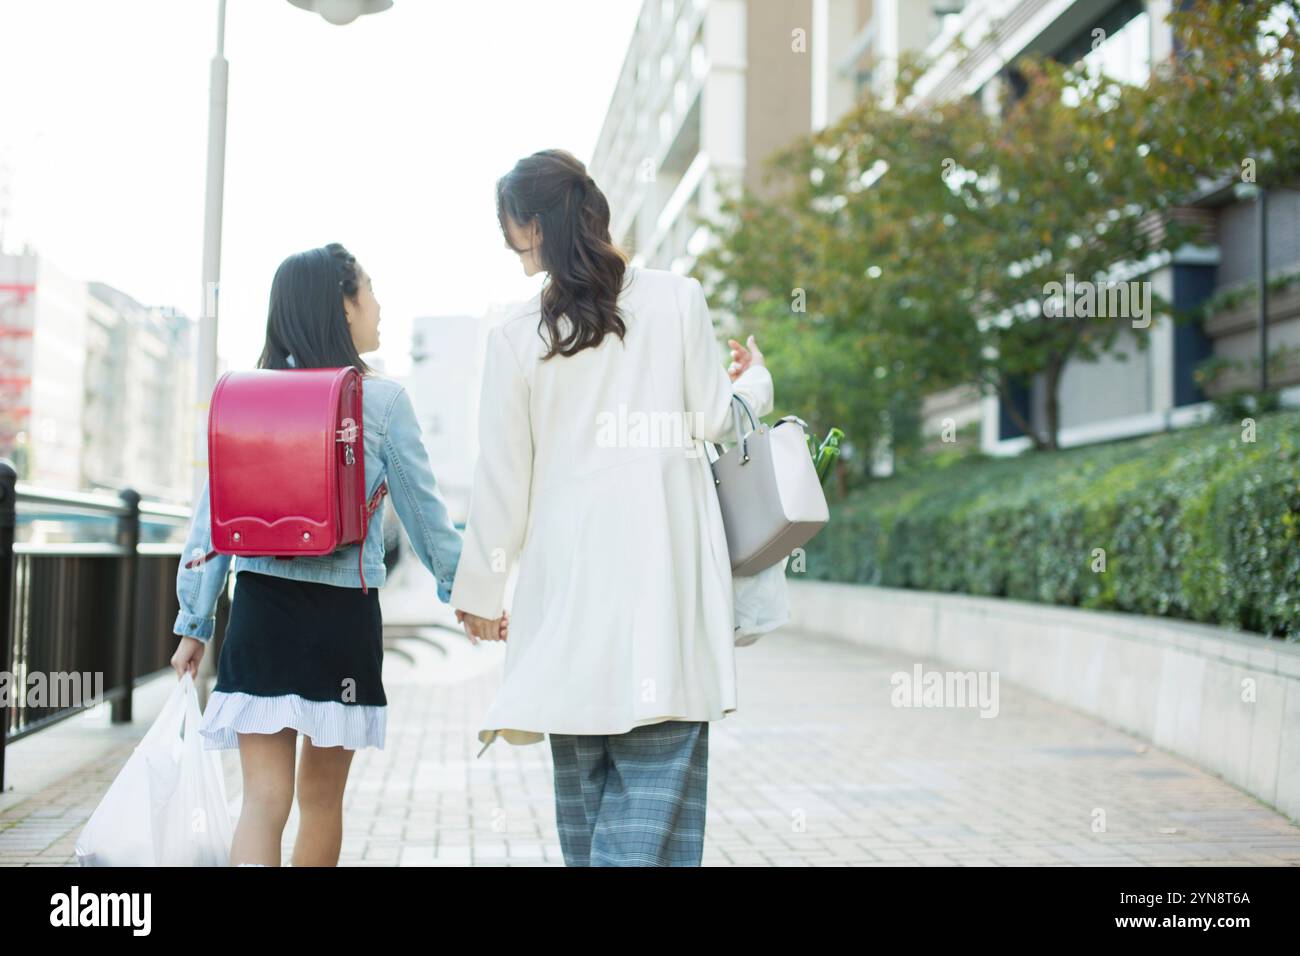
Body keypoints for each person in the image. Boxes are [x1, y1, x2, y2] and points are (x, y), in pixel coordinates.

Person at [450, 149, 772, 866]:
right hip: (665, 590)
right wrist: (762, 383)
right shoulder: (676, 298)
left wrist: (478, 592)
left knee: (587, 809)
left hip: (567, 603)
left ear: (533, 223)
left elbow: (502, 481)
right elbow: (719, 422)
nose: (510, 246)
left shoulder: (514, 334)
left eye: (510, 228)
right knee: (656, 809)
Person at [170, 242, 496, 867]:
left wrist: (193, 624)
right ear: (342, 307)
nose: (378, 304)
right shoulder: (382, 401)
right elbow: (428, 521)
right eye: (368, 290)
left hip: (261, 613)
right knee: (322, 803)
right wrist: (466, 593)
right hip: (341, 620)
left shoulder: (243, 396)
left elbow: (211, 524)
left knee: (262, 801)